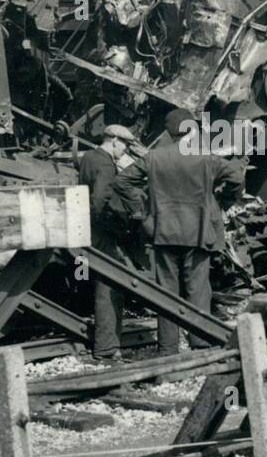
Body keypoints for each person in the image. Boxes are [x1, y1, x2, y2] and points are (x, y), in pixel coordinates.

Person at [112, 108, 244, 353]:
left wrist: (141, 210)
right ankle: (200, 342)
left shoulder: (154, 157)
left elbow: (121, 182)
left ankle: (168, 348)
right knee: (198, 288)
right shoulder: (206, 158)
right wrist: (222, 203)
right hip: (199, 231)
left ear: (170, 131)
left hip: (163, 231)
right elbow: (236, 178)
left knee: (165, 291)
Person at [77, 124, 136, 361]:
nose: (126, 150)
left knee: (98, 282)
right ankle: (106, 346)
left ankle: (104, 342)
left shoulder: (88, 157)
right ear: (113, 141)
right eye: (125, 145)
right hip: (102, 232)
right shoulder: (106, 164)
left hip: (87, 229)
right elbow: (101, 199)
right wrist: (115, 224)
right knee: (110, 286)